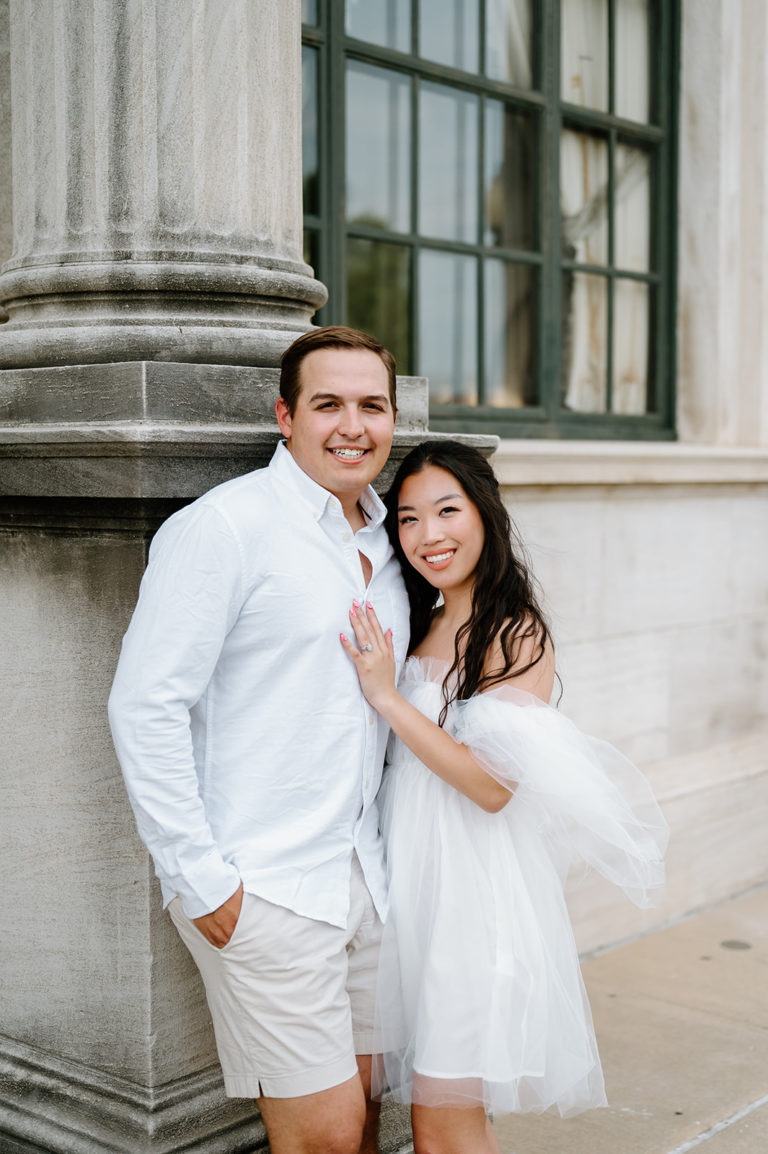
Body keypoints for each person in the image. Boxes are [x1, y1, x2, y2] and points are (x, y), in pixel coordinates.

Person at [108, 326, 411, 1154]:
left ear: (393, 418)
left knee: (370, 1112)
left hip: (370, 881)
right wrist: (200, 880)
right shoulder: (226, 528)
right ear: (286, 416)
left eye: (372, 406)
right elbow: (145, 707)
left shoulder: (393, 543)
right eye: (329, 405)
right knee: (324, 1136)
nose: (353, 425)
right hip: (269, 887)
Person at [340, 440, 668, 1154]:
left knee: (442, 1124)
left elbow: (491, 787)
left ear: (486, 515)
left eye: (448, 511)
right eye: (408, 518)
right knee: (418, 1113)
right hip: (411, 898)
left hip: (471, 905)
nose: (430, 535)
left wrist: (388, 700)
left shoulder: (514, 631)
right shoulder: (420, 623)